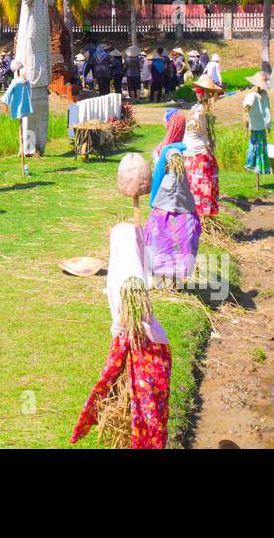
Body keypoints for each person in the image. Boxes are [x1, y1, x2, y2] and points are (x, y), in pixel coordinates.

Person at [71, 223, 171, 449]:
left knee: (142, 407)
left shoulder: (129, 277)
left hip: (139, 347)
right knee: (144, 410)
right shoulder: (130, 271)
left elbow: (134, 321)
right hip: (143, 345)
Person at [146, 140, 201, 285]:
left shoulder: (168, 181)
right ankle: (169, 279)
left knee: (164, 244)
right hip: (179, 209)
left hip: (165, 207)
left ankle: (165, 278)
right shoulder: (182, 182)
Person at [184, 78, 223, 218]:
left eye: (199, 91)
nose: (196, 93)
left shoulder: (202, 111)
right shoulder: (198, 109)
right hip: (192, 154)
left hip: (198, 156)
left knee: (200, 190)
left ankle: (202, 221)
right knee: (192, 189)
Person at [242, 70, 273, 189]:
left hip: (258, 128)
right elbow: (248, 107)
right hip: (258, 128)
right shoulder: (256, 95)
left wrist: (268, 124)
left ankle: (251, 168)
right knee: (257, 150)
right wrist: (269, 125)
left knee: (257, 150)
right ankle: (252, 168)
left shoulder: (260, 95)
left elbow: (265, 110)